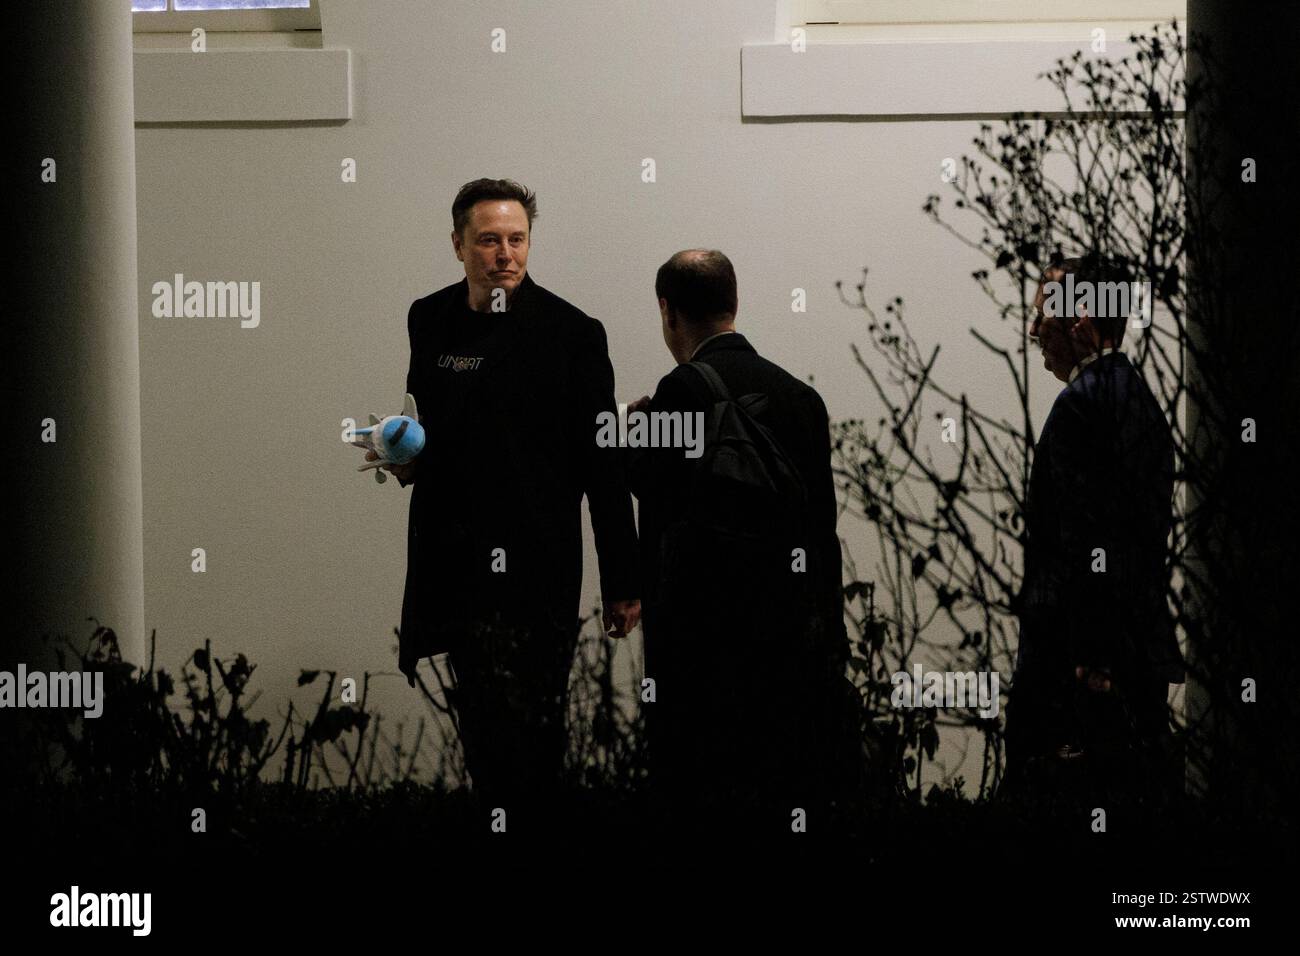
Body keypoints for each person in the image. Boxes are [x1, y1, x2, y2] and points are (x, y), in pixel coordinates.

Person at [370, 178, 641, 822]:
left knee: (535, 728)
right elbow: (429, 425)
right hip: (454, 555)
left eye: (517, 239)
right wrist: (401, 455)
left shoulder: (573, 333)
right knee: (482, 727)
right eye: (488, 240)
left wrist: (624, 579)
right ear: (458, 244)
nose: (505, 254)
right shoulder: (428, 318)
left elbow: (602, 465)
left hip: (538, 563)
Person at [627, 249, 854, 832]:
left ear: (667, 311)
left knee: (704, 812)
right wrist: (830, 636)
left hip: (699, 649)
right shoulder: (802, 399)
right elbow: (821, 532)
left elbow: (658, 504)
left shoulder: (677, 394)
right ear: (735, 303)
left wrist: (630, 441)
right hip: (789, 642)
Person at [1006, 253, 1184, 813]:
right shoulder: (1141, 403)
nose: (1034, 329)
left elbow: (1087, 546)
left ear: (1081, 314)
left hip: (1073, 666)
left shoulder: (1080, 407)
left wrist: (1088, 659)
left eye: (1043, 314)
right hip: (1133, 655)